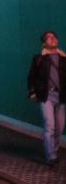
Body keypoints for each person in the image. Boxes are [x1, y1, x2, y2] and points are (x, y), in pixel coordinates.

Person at [27, 31, 66, 165]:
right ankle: (51, 156)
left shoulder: (63, 58)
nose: (52, 38)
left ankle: (53, 151)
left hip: (61, 97)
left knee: (59, 128)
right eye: (49, 37)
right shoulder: (39, 59)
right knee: (50, 126)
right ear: (44, 43)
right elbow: (31, 77)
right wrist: (32, 93)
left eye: (54, 36)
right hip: (46, 96)